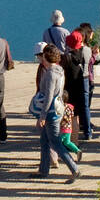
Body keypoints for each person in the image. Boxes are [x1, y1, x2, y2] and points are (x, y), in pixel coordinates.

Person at [31, 45, 81, 181]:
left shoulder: (51, 73)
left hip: (51, 112)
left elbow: (48, 96)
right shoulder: (59, 70)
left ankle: (74, 168)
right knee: (44, 140)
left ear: (47, 57)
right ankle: (43, 170)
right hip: (58, 107)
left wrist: (42, 115)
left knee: (56, 142)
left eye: (43, 55)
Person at [62, 31, 91, 143]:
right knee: (76, 117)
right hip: (80, 86)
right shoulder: (84, 52)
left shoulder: (67, 58)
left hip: (69, 90)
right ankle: (76, 141)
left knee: (68, 117)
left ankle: (68, 140)